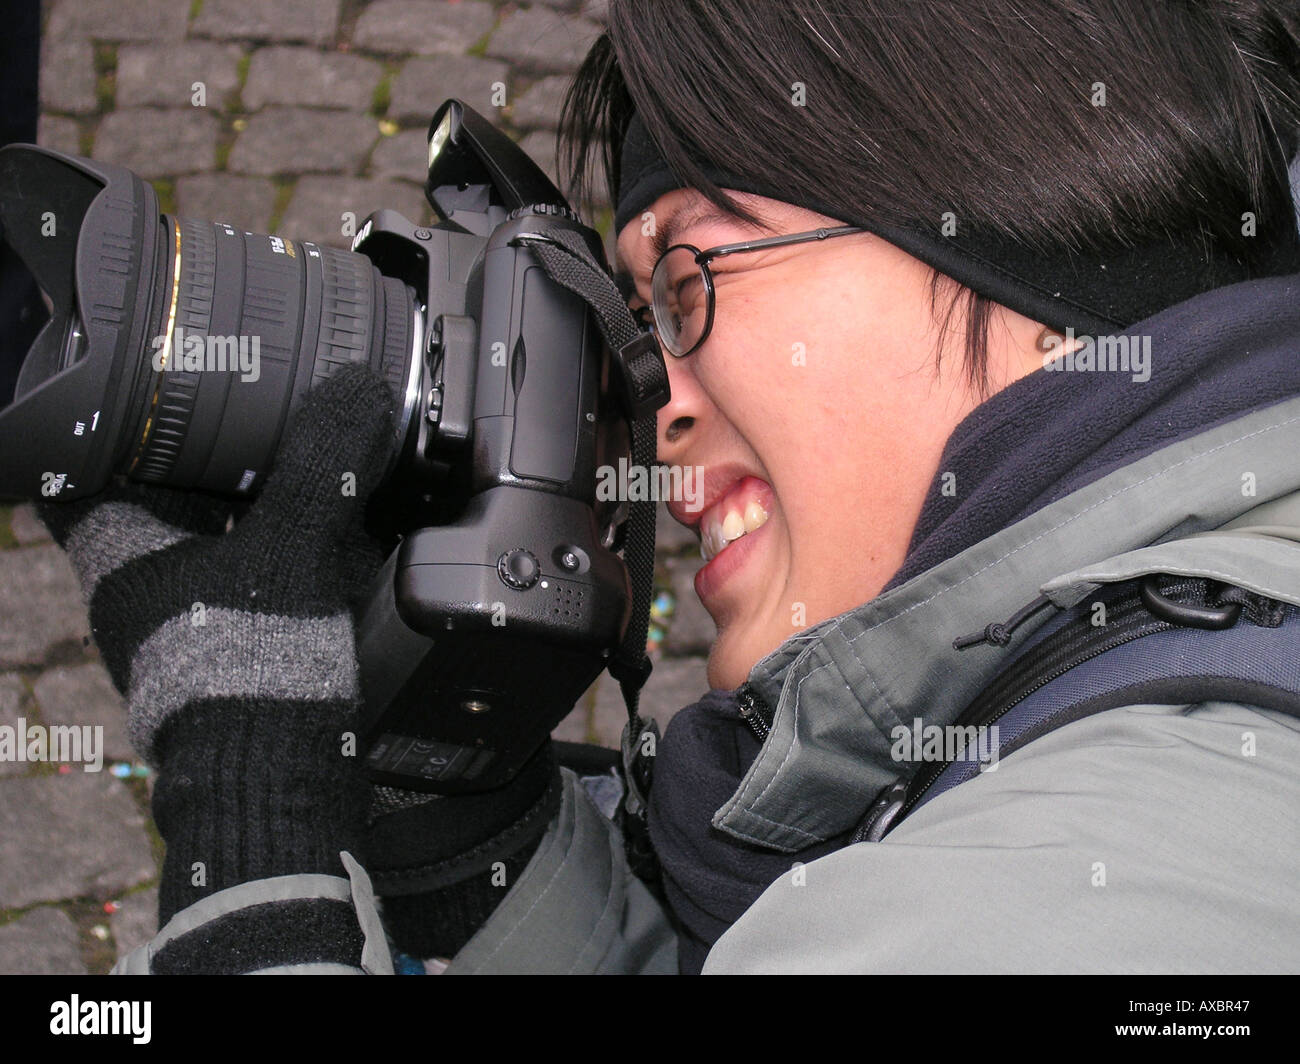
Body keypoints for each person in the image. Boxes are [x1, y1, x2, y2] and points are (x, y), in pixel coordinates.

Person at [46, 0, 1300, 974]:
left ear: (1024, 239)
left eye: (689, 285)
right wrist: (465, 835)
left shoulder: (1044, 901)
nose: (658, 399)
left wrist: (253, 838)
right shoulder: (1175, 682)